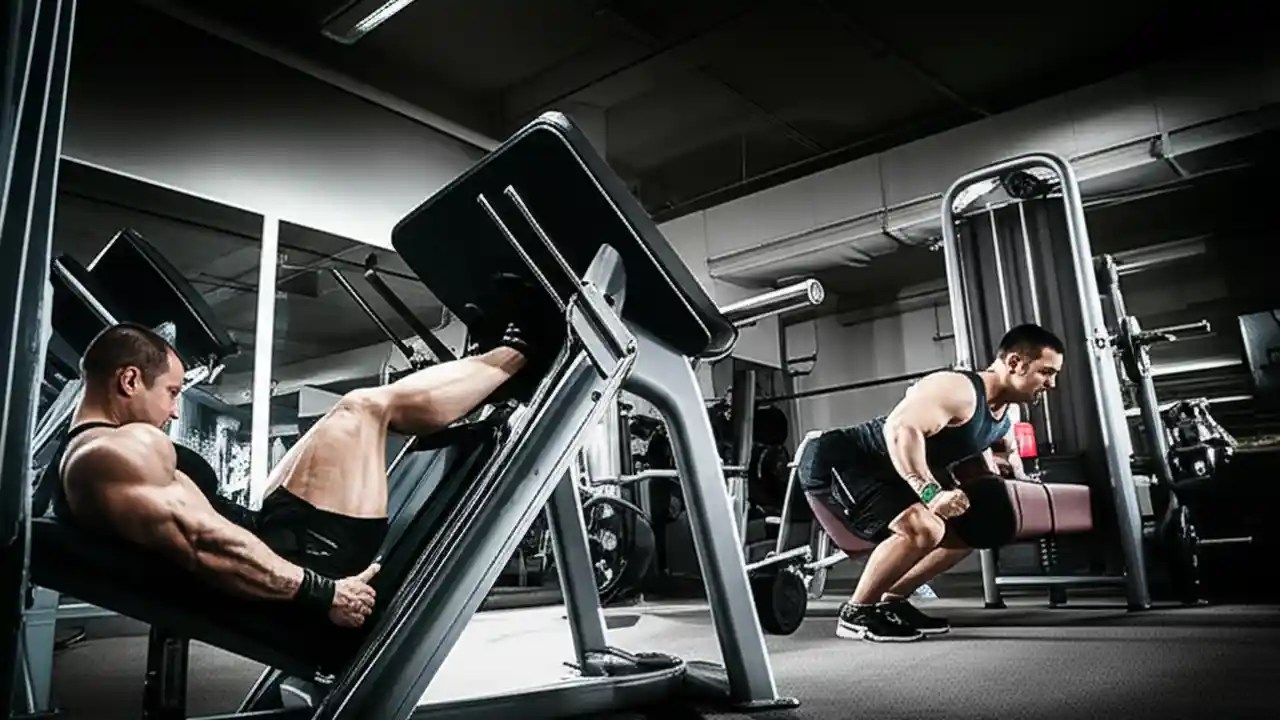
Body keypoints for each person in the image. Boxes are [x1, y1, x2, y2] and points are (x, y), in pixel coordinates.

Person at [55, 279, 556, 629]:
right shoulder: (119, 450)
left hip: (275, 539)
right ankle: (525, 352)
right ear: (129, 380)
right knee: (366, 408)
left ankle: (482, 372)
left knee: (347, 410)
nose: (173, 409)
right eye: (171, 392)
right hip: (311, 562)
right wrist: (325, 591)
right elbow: (203, 542)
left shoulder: (85, 451)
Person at [796, 323, 1064, 642]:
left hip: (892, 477)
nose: (1052, 384)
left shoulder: (1007, 415)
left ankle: (891, 601)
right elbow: (901, 428)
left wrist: (1022, 487)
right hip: (845, 460)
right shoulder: (957, 389)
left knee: (971, 530)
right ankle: (856, 613)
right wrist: (931, 492)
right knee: (925, 528)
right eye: (1046, 372)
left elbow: (1004, 459)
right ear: (1015, 363)